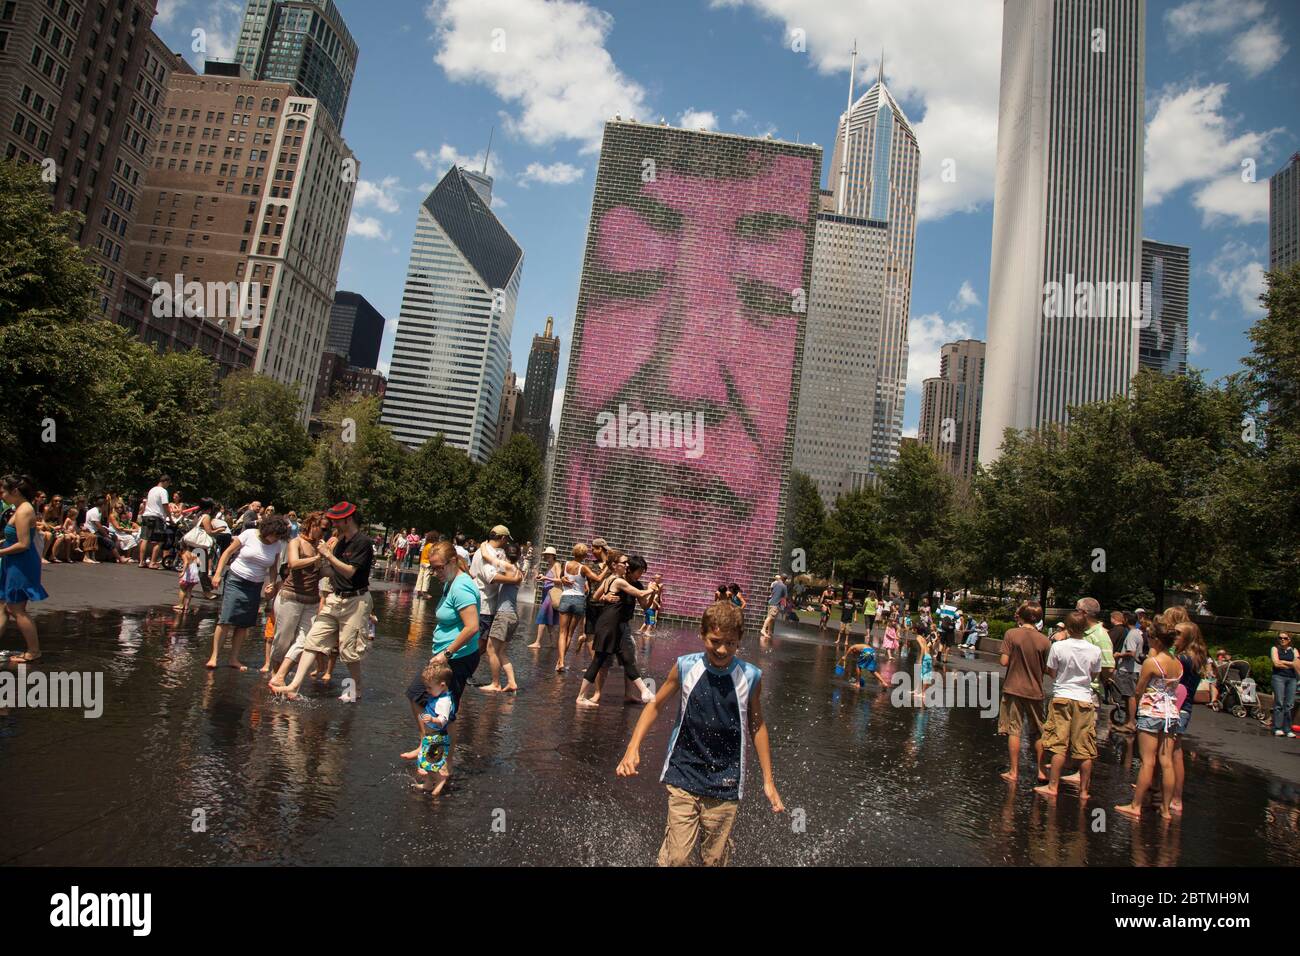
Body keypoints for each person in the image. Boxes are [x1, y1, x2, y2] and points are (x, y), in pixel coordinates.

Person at [616, 600, 784, 866]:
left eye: (730, 642)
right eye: (714, 640)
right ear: (702, 635)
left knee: (714, 858)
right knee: (679, 859)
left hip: (726, 778)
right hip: (684, 770)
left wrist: (768, 781)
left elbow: (757, 725)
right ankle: (672, 852)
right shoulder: (685, 667)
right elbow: (656, 705)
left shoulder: (750, 676)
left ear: (739, 640)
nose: (721, 649)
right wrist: (632, 747)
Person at [271, 502, 373, 702]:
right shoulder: (341, 541)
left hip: (356, 600)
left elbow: (349, 571)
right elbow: (331, 571)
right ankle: (294, 685)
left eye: (336, 520)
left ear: (347, 519)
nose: (333, 524)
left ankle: (356, 688)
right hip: (336, 598)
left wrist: (326, 555)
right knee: (312, 640)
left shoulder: (362, 542)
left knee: (347, 650)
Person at [400, 541, 480, 764]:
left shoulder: (461, 586)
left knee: (446, 715)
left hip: (456, 659)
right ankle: (426, 744)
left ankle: (440, 767)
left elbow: (472, 626)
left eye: (438, 567)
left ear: (452, 562)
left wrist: (446, 653)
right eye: (432, 568)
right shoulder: (451, 580)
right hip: (444, 658)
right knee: (416, 694)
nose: (435, 573)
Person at [1114, 616, 1184, 820]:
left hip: (1151, 711)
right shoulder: (1177, 664)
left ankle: (1136, 805)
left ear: (1156, 641)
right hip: (1171, 713)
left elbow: (1139, 689)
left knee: (1147, 761)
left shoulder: (1152, 662)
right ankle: (1165, 809)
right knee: (1167, 761)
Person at [575, 552, 659, 707]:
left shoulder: (613, 579)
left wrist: (653, 593)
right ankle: (587, 695)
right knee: (601, 660)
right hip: (610, 625)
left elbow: (645, 604)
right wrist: (652, 589)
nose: (640, 575)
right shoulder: (618, 581)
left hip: (618, 626)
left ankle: (641, 691)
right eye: (639, 571)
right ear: (619, 566)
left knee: (627, 658)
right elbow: (597, 597)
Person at [207, 513, 289, 670]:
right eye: (275, 535)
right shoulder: (249, 534)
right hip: (236, 578)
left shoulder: (277, 545)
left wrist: (272, 583)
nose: (275, 538)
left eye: (279, 536)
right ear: (268, 529)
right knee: (226, 618)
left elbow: (273, 567)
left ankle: (234, 658)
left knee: (244, 622)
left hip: (255, 584)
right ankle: (214, 656)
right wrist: (217, 574)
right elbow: (227, 553)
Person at [1035, 611, 1102, 802]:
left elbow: (1052, 671)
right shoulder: (1094, 650)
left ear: (1068, 628)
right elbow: (1094, 675)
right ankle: (1083, 791)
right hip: (1084, 698)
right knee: (1085, 746)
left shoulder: (1059, 647)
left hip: (1062, 696)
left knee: (1059, 744)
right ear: (1086, 628)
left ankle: (1053, 786)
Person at [264, 512, 326, 678]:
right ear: (313, 525)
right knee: (283, 640)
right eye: (322, 528)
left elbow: (322, 572)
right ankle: (276, 674)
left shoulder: (320, 546)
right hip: (290, 597)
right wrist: (318, 557)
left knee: (307, 641)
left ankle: (281, 674)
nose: (324, 532)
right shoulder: (296, 541)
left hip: (312, 600)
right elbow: (294, 563)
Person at [998, 602, 1051, 785]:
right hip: (1035, 690)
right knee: (1038, 731)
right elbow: (1048, 668)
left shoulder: (1011, 634)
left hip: (1013, 688)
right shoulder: (1045, 640)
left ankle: (1013, 771)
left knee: (1015, 729)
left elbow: (1003, 662)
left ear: (1021, 616)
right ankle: (1042, 770)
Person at [0, 475, 48, 664]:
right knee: (3, 606)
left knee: (17, 609)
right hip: (12, 561)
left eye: (3, 491)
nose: (1, 495)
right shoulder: (19, 508)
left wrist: (0, 551)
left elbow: (23, 544)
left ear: (15, 491)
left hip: (21, 563)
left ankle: (34, 651)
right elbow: (13, 539)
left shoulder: (23, 511)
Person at [1170, 617, 1207, 814]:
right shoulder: (1196, 657)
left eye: (1178, 633)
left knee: (1173, 753)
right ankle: (1173, 796)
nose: (1173, 636)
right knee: (1174, 752)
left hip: (1177, 707)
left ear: (1188, 638)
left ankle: (1176, 798)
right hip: (1185, 707)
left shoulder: (1182, 659)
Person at [481, 541, 524, 693]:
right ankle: (511, 682)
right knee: (501, 652)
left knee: (491, 650)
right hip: (512, 615)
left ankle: (495, 683)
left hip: (504, 615)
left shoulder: (508, 567)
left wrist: (484, 543)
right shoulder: (517, 569)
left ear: (506, 554)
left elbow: (486, 556)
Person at [412, 659, 456, 796]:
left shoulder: (444, 701)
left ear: (442, 685)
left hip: (438, 737)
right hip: (432, 735)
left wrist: (432, 719)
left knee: (430, 761)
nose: (427, 690)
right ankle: (428, 784)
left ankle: (440, 779)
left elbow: (443, 720)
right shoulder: (438, 695)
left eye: (429, 687)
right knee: (427, 761)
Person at [555, 542, 591, 672]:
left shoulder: (565, 564)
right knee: (570, 633)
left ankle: (561, 662)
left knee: (562, 632)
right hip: (579, 599)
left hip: (565, 597)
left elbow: (561, 578)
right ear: (585, 555)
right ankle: (560, 661)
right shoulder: (584, 568)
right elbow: (596, 578)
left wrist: (564, 579)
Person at [1112, 611, 1144, 732]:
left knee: (1129, 696)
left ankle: (1130, 722)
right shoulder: (1137, 633)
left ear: (1126, 620)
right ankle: (1128, 720)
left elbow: (1131, 653)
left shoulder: (1131, 634)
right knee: (1128, 695)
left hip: (1128, 670)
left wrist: (1119, 654)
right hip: (1132, 669)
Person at [527, 546, 562, 649]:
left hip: (551, 594)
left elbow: (560, 580)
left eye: (547, 555)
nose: (545, 556)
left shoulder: (557, 565)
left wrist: (546, 577)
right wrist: (542, 577)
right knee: (549, 620)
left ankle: (537, 642)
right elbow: (550, 579)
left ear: (552, 555)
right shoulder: (549, 566)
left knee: (542, 616)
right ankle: (553, 643)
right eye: (545, 555)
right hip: (546, 593)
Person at [138, 475, 171, 569]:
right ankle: (152, 562)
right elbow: (165, 505)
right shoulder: (163, 491)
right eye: (168, 484)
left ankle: (141, 562)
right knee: (159, 541)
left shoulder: (152, 490)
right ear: (166, 481)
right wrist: (170, 518)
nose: (168, 486)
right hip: (157, 517)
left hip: (147, 515)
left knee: (144, 539)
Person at [1270, 632, 1297, 738]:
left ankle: (1288, 729)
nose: (1282, 639)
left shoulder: (1294, 650)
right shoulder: (1275, 649)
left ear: (1289, 639)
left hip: (1292, 679)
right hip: (1278, 677)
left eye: (1285, 638)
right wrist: (1291, 664)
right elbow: (1276, 663)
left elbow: (1297, 664)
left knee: (1289, 704)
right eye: (1280, 638)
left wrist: (1283, 662)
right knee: (1279, 702)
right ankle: (1277, 728)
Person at [174, 544, 200, 612]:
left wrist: (183, 571)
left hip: (188, 573)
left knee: (182, 589)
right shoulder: (193, 554)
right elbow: (199, 562)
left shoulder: (184, 554)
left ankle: (181, 605)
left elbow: (186, 562)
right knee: (189, 590)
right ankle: (186, 606)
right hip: (195, 573)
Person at [761, 573, 786, 640]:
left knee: (771, 618)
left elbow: (772, 592)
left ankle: (769, 632)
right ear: (785, 579)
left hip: (771, 602)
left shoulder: (774, 584)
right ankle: (763, 630)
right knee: (770, 617)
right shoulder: (783, 586)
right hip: (775, 604)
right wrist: (783, 605)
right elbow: (784, 596)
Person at [414, 531, 438, 597]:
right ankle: (424, 592)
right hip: (428, 563)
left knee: (420, 576)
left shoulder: (426, 545)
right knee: (426, 577)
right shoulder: (432, 546)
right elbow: (431, 556)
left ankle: (418, 590)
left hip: (422, 562)